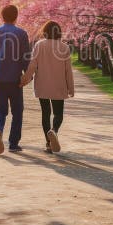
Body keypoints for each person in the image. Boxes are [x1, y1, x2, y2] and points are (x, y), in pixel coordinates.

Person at [21, 21, 75, 153]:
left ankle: (48, 143)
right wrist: (71, 88)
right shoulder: (64, 47)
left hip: (42, 85)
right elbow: (68, 70)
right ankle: (54, 131)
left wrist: (25, 79)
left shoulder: (39, 45)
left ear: (45, 31)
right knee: (58, 114)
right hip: (59, 85)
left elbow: (33, 65)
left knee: (45, 114)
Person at [0, 5, 30, 154]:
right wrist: (27, 75)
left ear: (1, 16)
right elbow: (25, 57)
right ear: (16, 16)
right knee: (17, 111)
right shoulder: (21, 34)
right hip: (15, 78)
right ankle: (13, 143)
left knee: (0, 108)